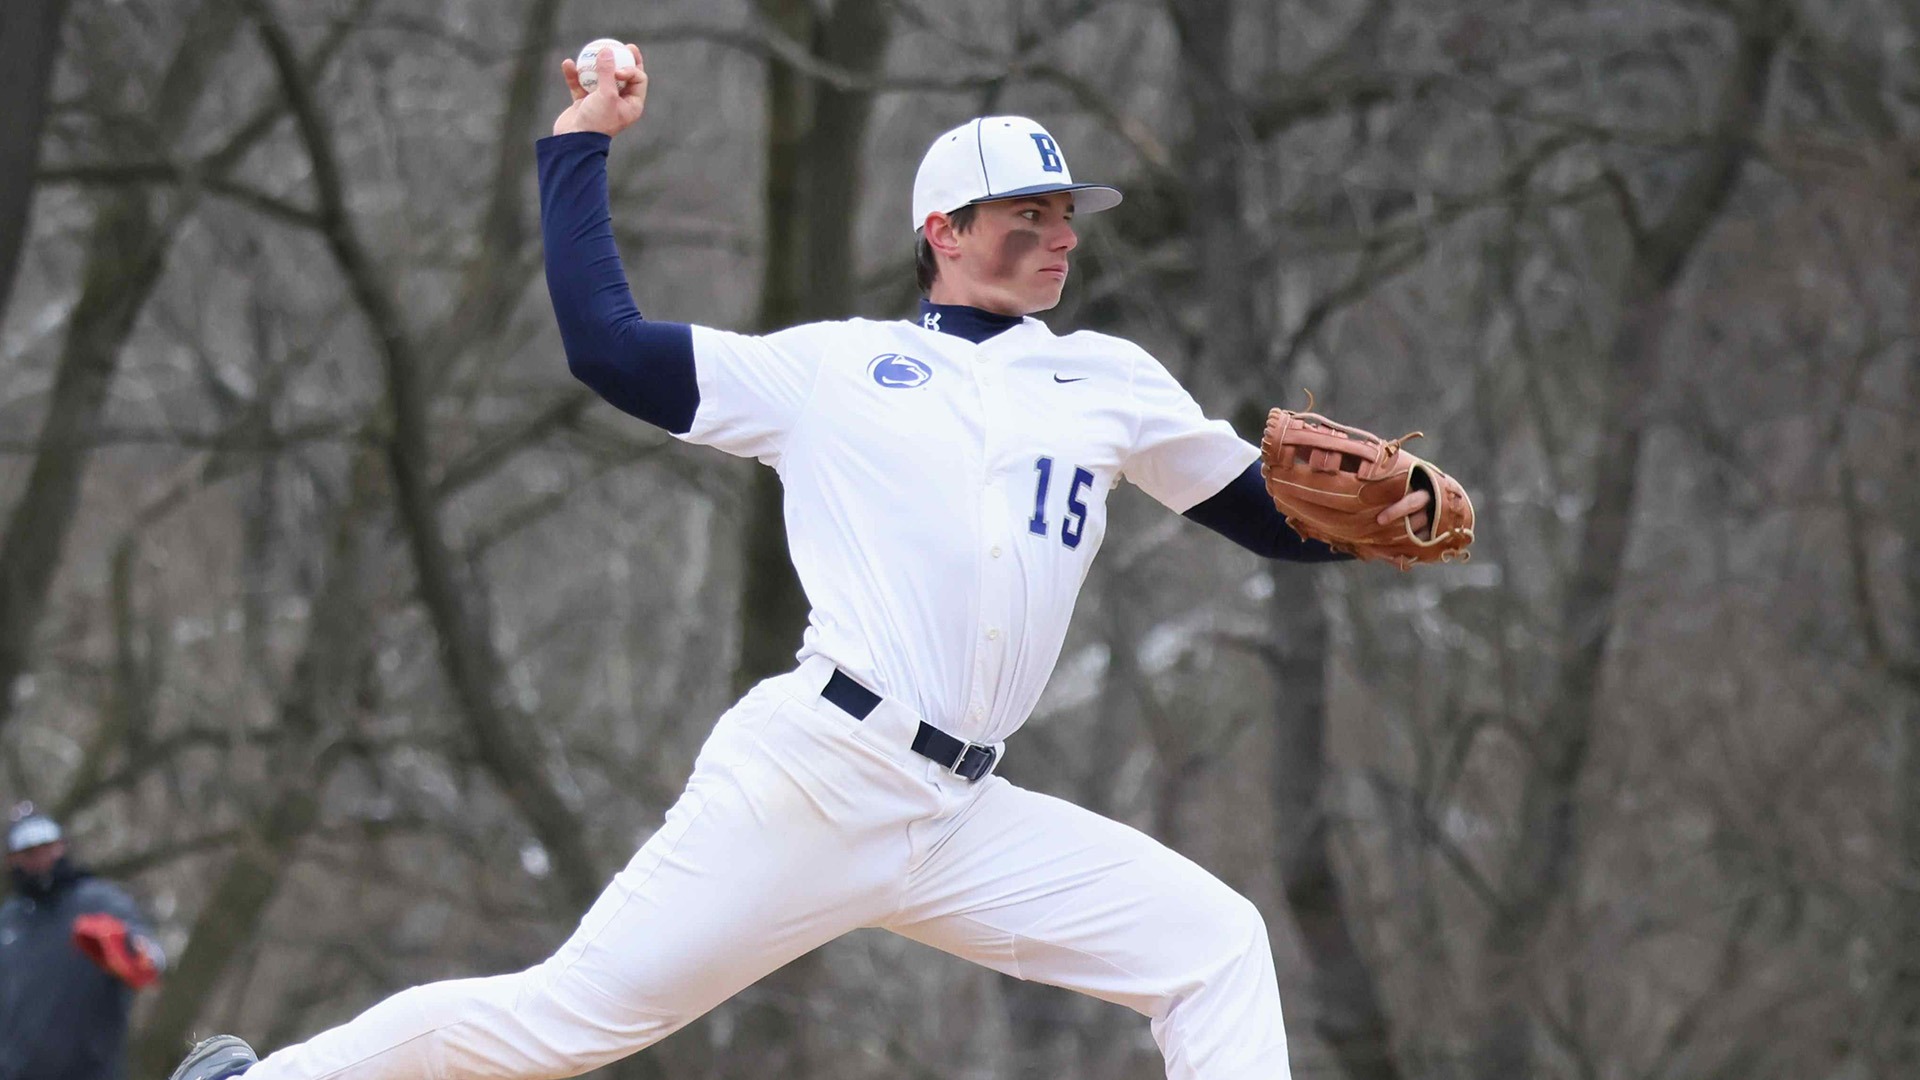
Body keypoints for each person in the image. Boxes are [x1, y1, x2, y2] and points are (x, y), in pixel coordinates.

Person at [168, 45, 1434, 1080]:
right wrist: (579, 145)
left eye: (1067, 215)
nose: (1061, 235)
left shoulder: (1109, 380)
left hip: (964, 812)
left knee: (1214, 947)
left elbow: (1260, 515)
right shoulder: (834, 369)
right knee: (560, 1026)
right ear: (944, 230)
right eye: (1029, 215)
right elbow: (607, 347)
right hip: (820, 777)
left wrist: (1379, 522)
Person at [1, 804, 166, 1080]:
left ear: (61, 846)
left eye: (47, 847)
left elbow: (151, 955)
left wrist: (136, 951)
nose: (41, 858)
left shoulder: (98, 903)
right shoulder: (8, 921)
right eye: (29, 852)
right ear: (12, 859)